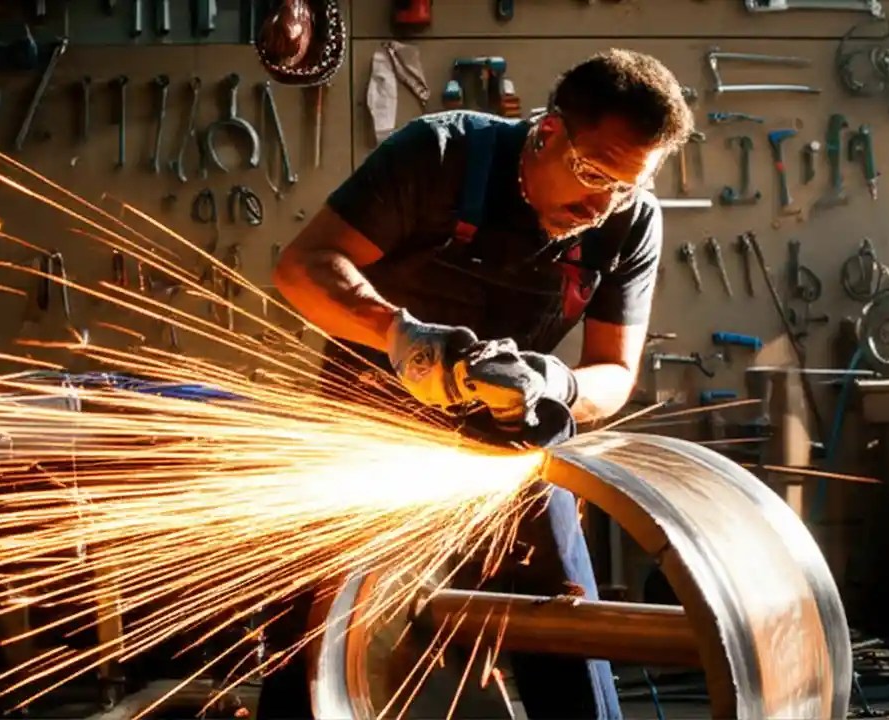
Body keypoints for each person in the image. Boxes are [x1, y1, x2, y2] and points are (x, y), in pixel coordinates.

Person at [260, 49, 693, 720]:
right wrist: (399, 335)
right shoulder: (438, 157)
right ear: (547, 133)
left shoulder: (628, 221)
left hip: (504, 447)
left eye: (625, 187)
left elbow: (615, 372)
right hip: (366, 428)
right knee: (317, 639)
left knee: (564, 620)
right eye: (591, 172)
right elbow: (303, 266)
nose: (600, 204)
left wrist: (557, 384)